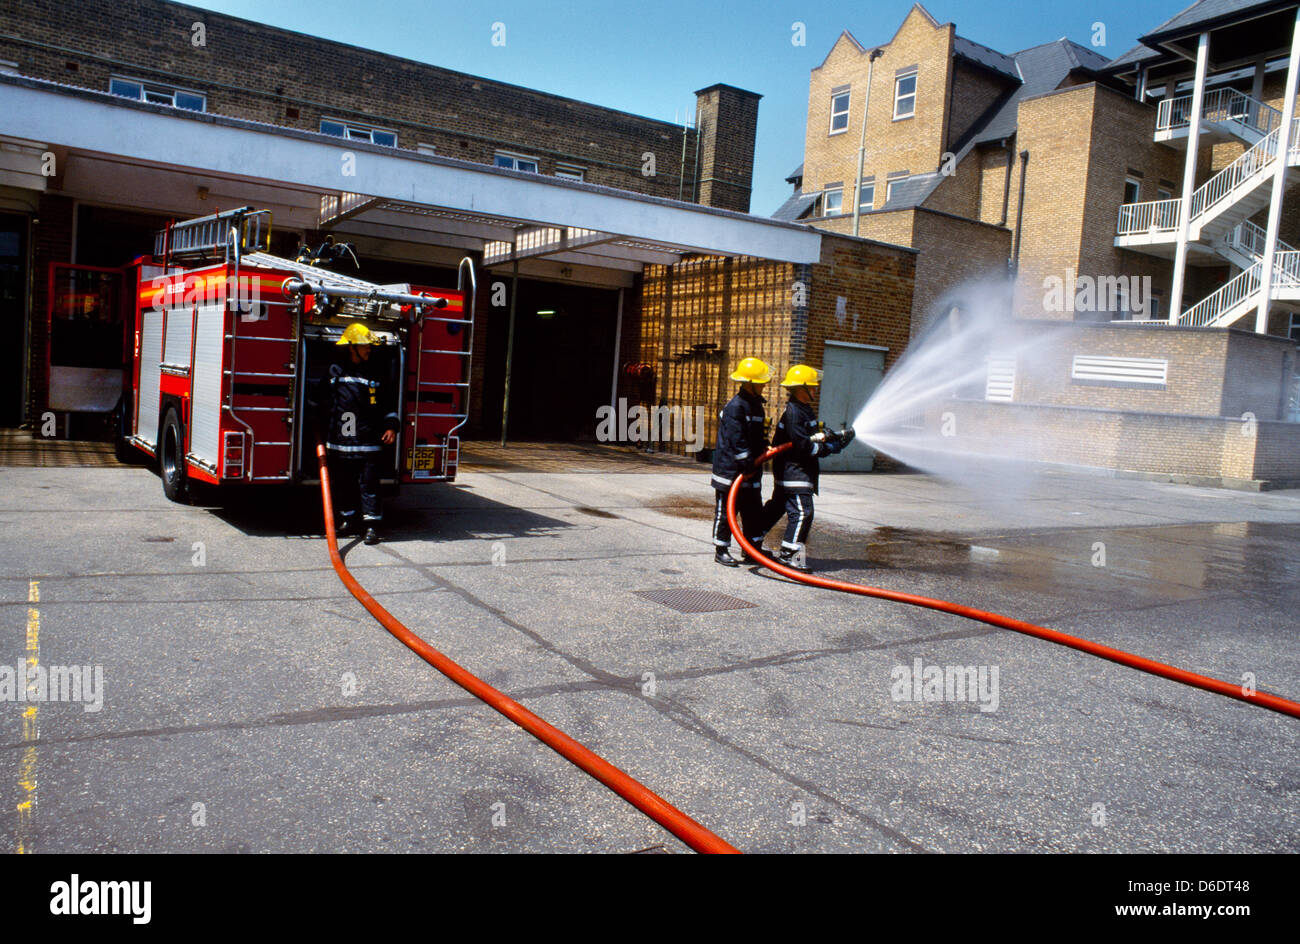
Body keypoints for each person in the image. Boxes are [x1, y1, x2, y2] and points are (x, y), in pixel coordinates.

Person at [759, 364, 855, 572]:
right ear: (802, 388)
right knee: (803, 513)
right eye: (812, 386)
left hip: (796, 470)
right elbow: (803, 446)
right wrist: (827, 448)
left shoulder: (803, 410)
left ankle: (752, 540)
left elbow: (812, 433)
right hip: (794, 471)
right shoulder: (795, 412)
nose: (815, 390)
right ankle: (789, 555)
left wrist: (832, 435)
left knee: (778, 506)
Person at [321, 323, 398, 545]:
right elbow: (319, 399)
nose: (368, 350)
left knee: (369, 485)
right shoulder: (334, 372)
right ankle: (348, 521)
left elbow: (388, 403)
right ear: (351, 347)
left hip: (368, 442)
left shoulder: (376, 373)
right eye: (365, 346)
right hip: (340, 444)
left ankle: (372, 526)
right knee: (344, 484)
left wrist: (391, 426)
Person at [710, 357, 772, 567]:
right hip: (731, 471)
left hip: (751, 470)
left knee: (753, 511)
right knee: (727, 511)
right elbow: (737, 440)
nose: (764, 385)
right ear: (750, 383)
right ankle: (721, 549)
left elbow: (756, 436)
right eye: (761, 381)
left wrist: (765, 446)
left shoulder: (756, 406)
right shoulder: (735, 407)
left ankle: (752, 550)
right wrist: (746, 464)